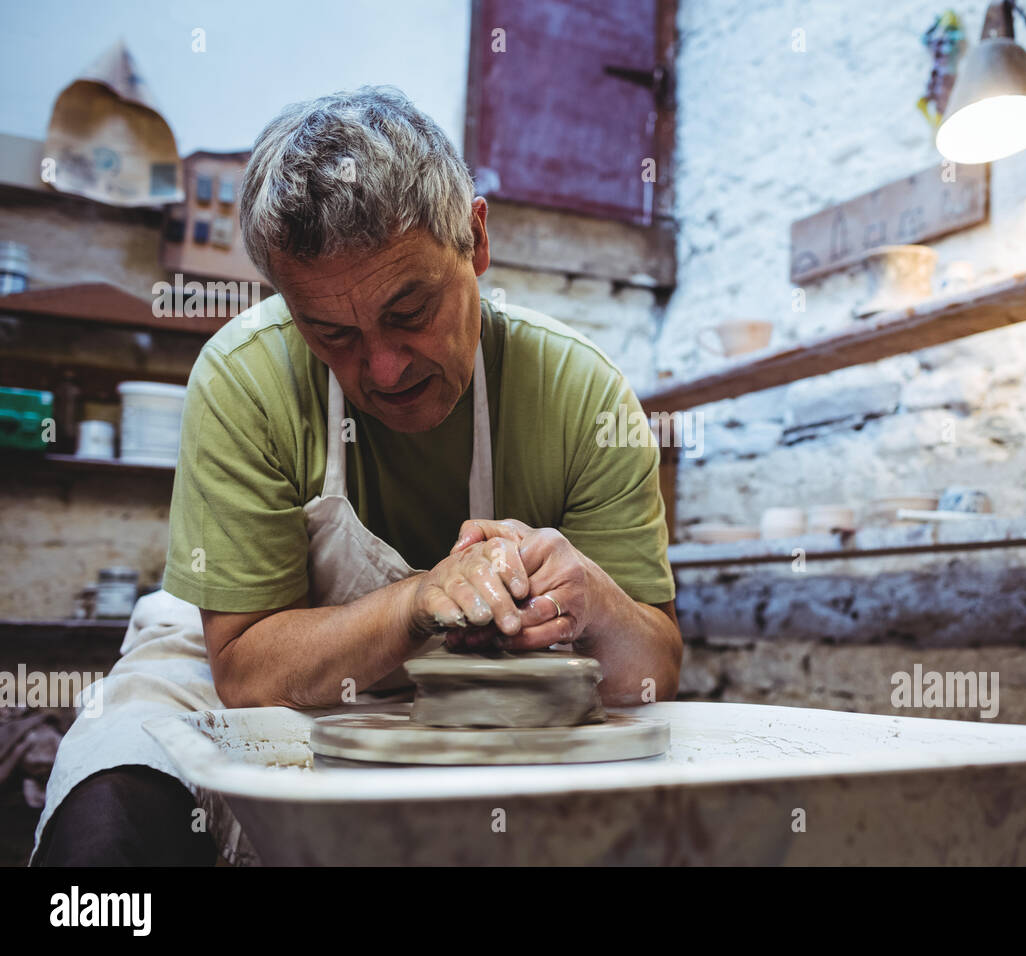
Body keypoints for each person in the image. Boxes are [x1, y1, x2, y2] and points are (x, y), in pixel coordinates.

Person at [32, 85, 681, 866]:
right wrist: (415, 602)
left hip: (470, 702)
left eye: (410, 310)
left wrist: (595, 603)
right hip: (234, 673)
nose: (381, 367)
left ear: (475, 240)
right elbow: (243, 668)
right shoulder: (245, 378)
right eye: (330, 332)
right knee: (108, 826)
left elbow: (652, 675)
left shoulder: (582, 395)